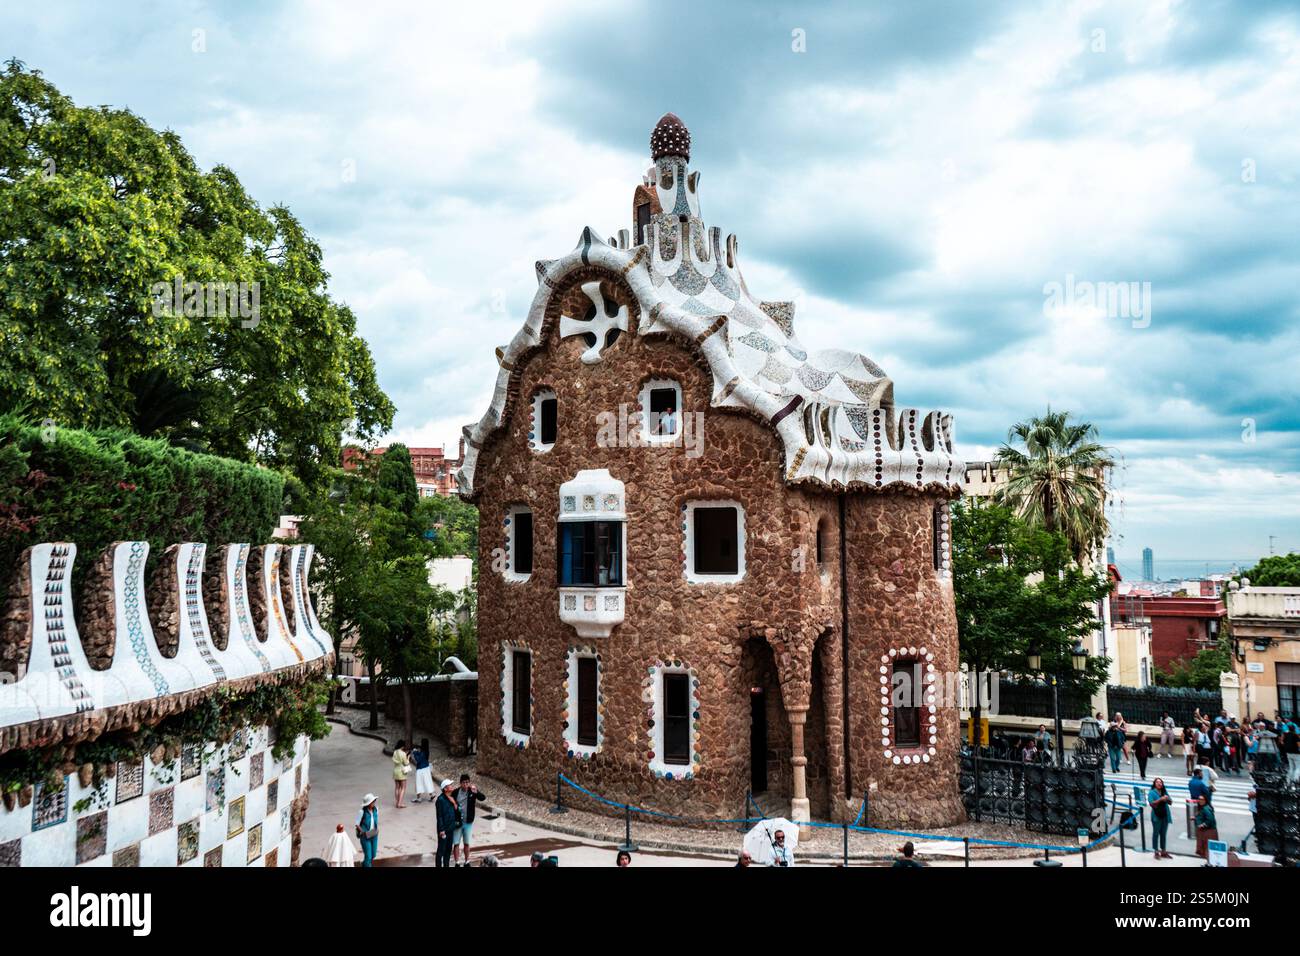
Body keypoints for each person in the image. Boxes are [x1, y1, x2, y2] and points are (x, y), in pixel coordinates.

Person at [452, 773, 487, 867]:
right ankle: (457, 862)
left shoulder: (472, 791)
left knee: (466, 843)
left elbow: (483, 798)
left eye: (467, 782)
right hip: (458, 822)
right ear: (460, 783)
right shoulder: (455, 792)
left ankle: (467, 861)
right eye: (464, 783)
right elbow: (450, 800)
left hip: (468, 822)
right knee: (456, 843)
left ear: (469, 783)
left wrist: (477, 792)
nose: (465, 784)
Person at [435, 778, 461, 868]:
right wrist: (441, 829)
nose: (452, 786)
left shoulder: (452, 798)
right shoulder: (440, 800)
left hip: (451, 828)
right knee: (441, 851)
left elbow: (458, 811)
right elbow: (439, 816)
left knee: (448, 850)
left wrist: (455, 804)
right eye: (450, 785)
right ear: (445, 788)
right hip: (444, 830)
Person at [1148, 778, 1172, 860]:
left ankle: (1163, 851)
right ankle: (1156, 851)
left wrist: (1167, 799)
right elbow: (1151, 803)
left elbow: (1171, 802)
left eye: (1160, 782)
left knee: (1163, 834)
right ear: (1154, 784)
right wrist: (1160, 799)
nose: (1159, 783)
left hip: (1165, 815)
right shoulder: (1151, 792)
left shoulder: (1164, 792)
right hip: (1156, 816)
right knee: (1156, 833)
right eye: (1157, 782)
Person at [355, 794, 379, 867]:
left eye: (374, 801)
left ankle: (365, 864)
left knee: (373, 855)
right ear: (368, 803)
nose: (374, 803)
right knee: (368, 856)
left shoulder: (376, 809)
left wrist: (377, 828)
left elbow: (376, 820)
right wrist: (363, 832)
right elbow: (357, 824)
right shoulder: (362, 812)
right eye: (372, 802)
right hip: (365, 836)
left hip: (374, 834)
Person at [1194, 795, 1218, 859]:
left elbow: (1210, 819)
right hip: (1205, 831)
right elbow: (1202, 817)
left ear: (1205, 800)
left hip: (1207, 832)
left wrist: (1203, 824)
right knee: (1206, 848)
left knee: (1206, 848)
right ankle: (1208, 862)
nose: (1200, 801)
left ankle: (1209, 862)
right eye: (1199, 799)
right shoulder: (1203, 808)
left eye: (1202, 799)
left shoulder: (1206, 808)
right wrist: (1195, 818)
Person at [391, 740, 410, 808]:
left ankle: (397, 802)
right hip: (401, 771)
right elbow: (406, 763)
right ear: (403, 746)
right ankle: (400, 803)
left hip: (395, 771)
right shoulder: (403, 753)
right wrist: (408, 757)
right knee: (403, 788)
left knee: (397, 788)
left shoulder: (395, 752)